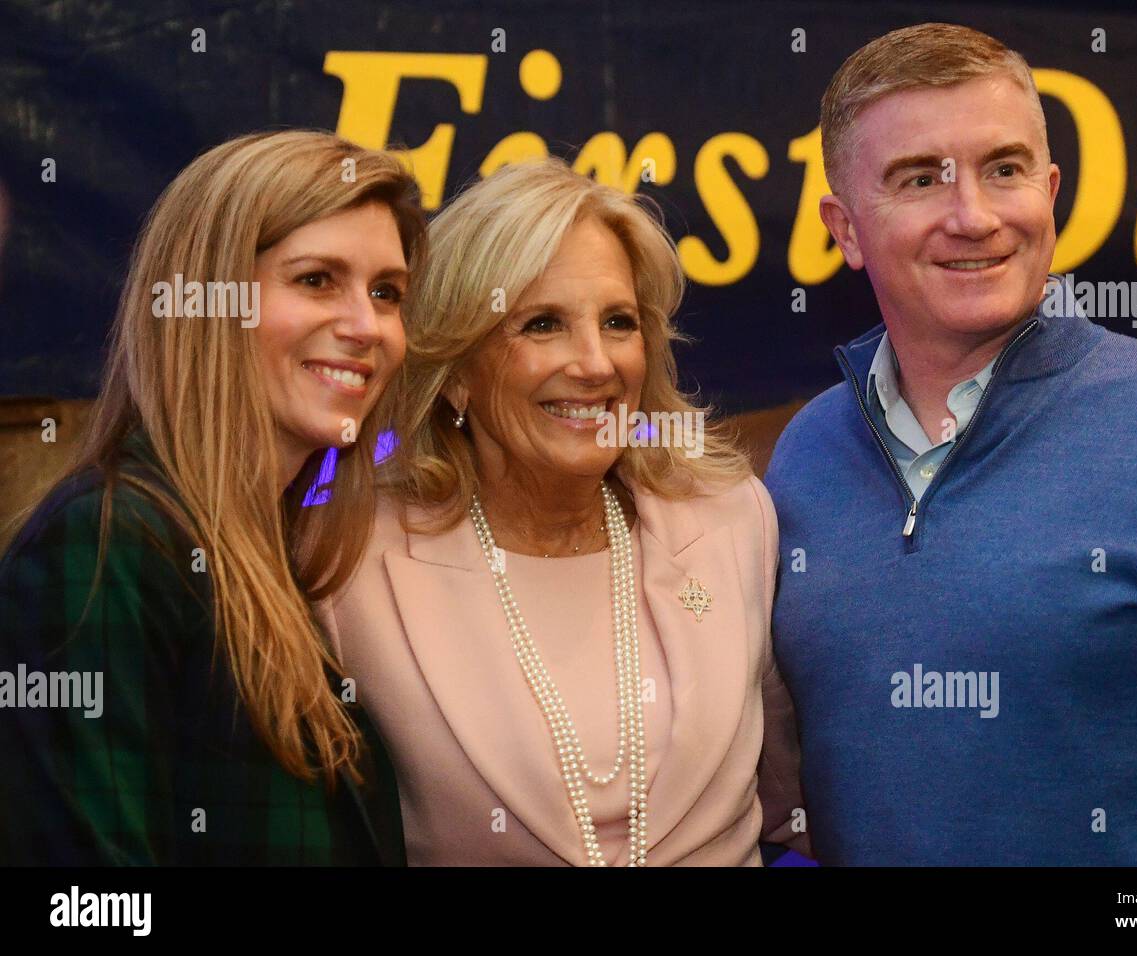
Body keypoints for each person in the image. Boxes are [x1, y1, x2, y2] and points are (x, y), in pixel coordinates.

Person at [765, 23, 1137, 865]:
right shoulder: (804, 458)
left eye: (1003, 170)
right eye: (919, 179)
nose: (972, 216)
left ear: (1050, 191)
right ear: (844, 228)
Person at [320, 156, 807, 866]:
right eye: (543, 323)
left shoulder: (733, 521)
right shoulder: (350, 561)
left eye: (618, 322)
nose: (594, 363)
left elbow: (793, 801)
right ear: (456, 371)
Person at [0, 130, 427, 864]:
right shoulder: (109, 542)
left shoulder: (279, 552)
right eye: (317, 279)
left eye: (386, 292)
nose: (367, 326)